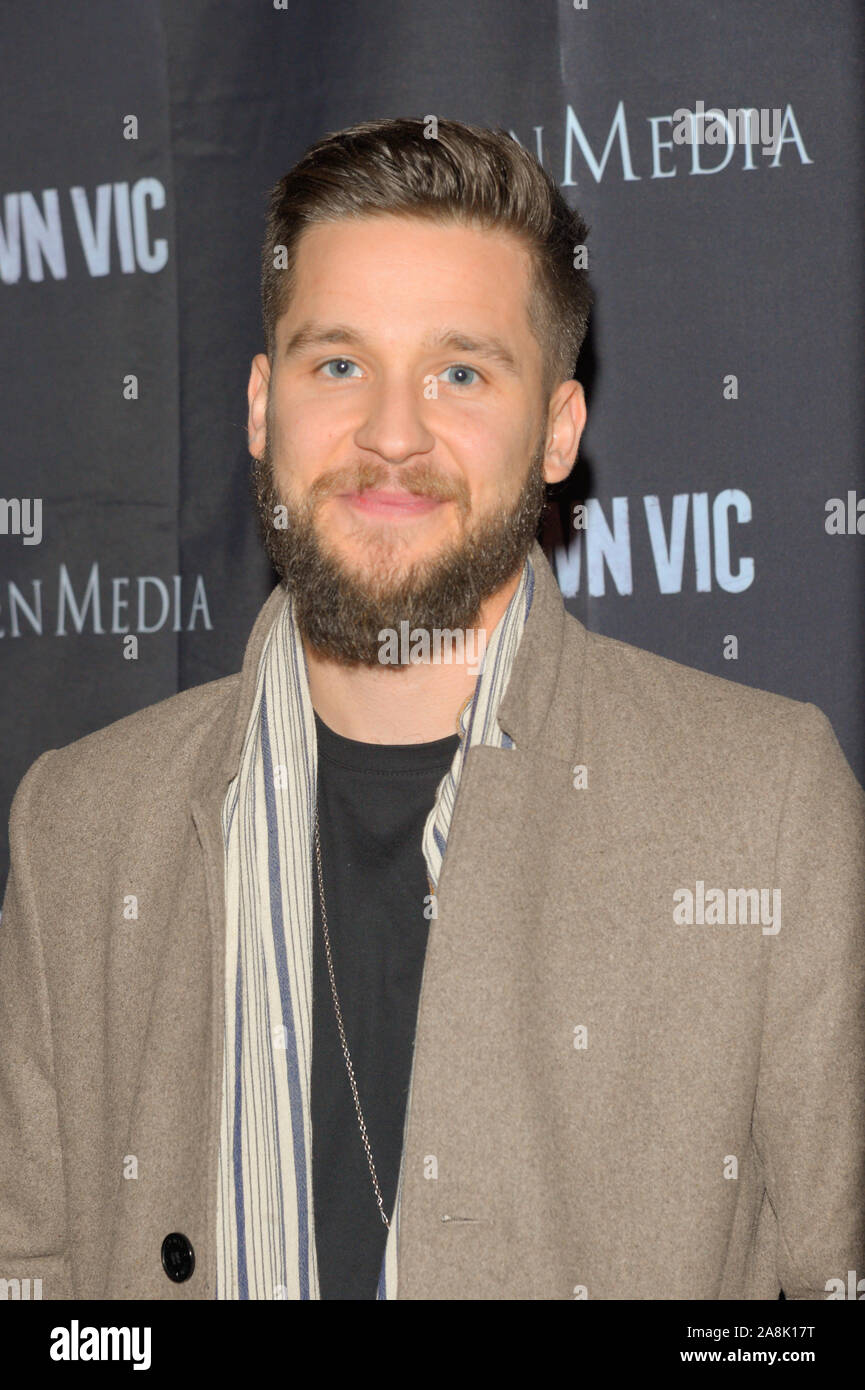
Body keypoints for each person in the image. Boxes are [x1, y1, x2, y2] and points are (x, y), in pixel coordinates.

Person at [1, 116, 862, 1301]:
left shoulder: (766, 807)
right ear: (262, 407)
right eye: (338, 364)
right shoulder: (79, 826)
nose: (392, 435)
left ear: (557, 432)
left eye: (460, 371)